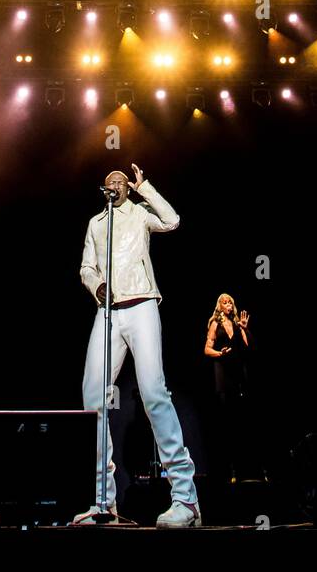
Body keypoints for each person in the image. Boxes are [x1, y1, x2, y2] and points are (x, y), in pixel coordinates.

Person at [73, 164, 200, 527]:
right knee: (92, 397)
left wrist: (147, 188)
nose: (115, 185)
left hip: (142, 304)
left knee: (154, 393)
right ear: (104, 188)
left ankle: (186, 500)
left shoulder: (142, 214)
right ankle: (103, 504)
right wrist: (97, 287)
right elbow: (86, 267)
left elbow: (173, 219)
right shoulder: (97, 223)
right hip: (109, 311)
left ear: (128, 187)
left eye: (121, 181)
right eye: (109, 181)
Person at [204, 293, 253, 481]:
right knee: (227, 418)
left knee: (242, 419)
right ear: (220, 306)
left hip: (238, 372)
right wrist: (219, 353)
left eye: (230, 302)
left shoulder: (236, 323)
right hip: (223, 372)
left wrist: (243, 329)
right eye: (225, 303)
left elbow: (247, 346)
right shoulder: (215, 323)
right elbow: (207, 349)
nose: (229, 305)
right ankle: (227, 470)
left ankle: (244, 468)